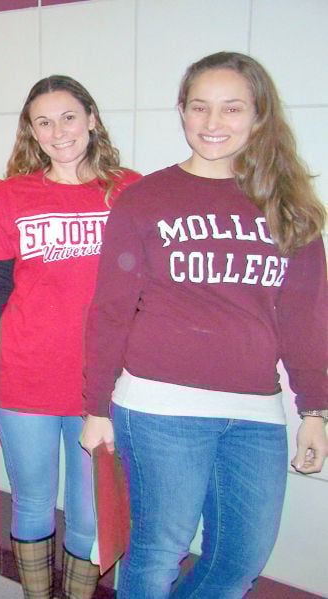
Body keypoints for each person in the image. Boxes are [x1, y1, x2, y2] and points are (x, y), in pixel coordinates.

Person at [81, 51, 328, 598]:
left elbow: (307, 317)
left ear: (259, 115)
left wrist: (315, 409)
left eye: (232, 108)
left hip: (254, 415)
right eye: (200, 108)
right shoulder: (145, 200)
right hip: (159, 409)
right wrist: (95, 405)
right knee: (154, 557)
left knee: (239, 561)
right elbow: (111, 309)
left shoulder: (289, 207)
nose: (213, 123)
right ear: (182, 112)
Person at [0, 75, 140, 599]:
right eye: (43, 122)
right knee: (33, 502)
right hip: (25, 374)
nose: (57, 130)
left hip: (103, 385)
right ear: (32, 132)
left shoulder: (129, 189)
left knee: (89, 514)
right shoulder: (17, 192)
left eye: (68, 117)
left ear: (91, 118)